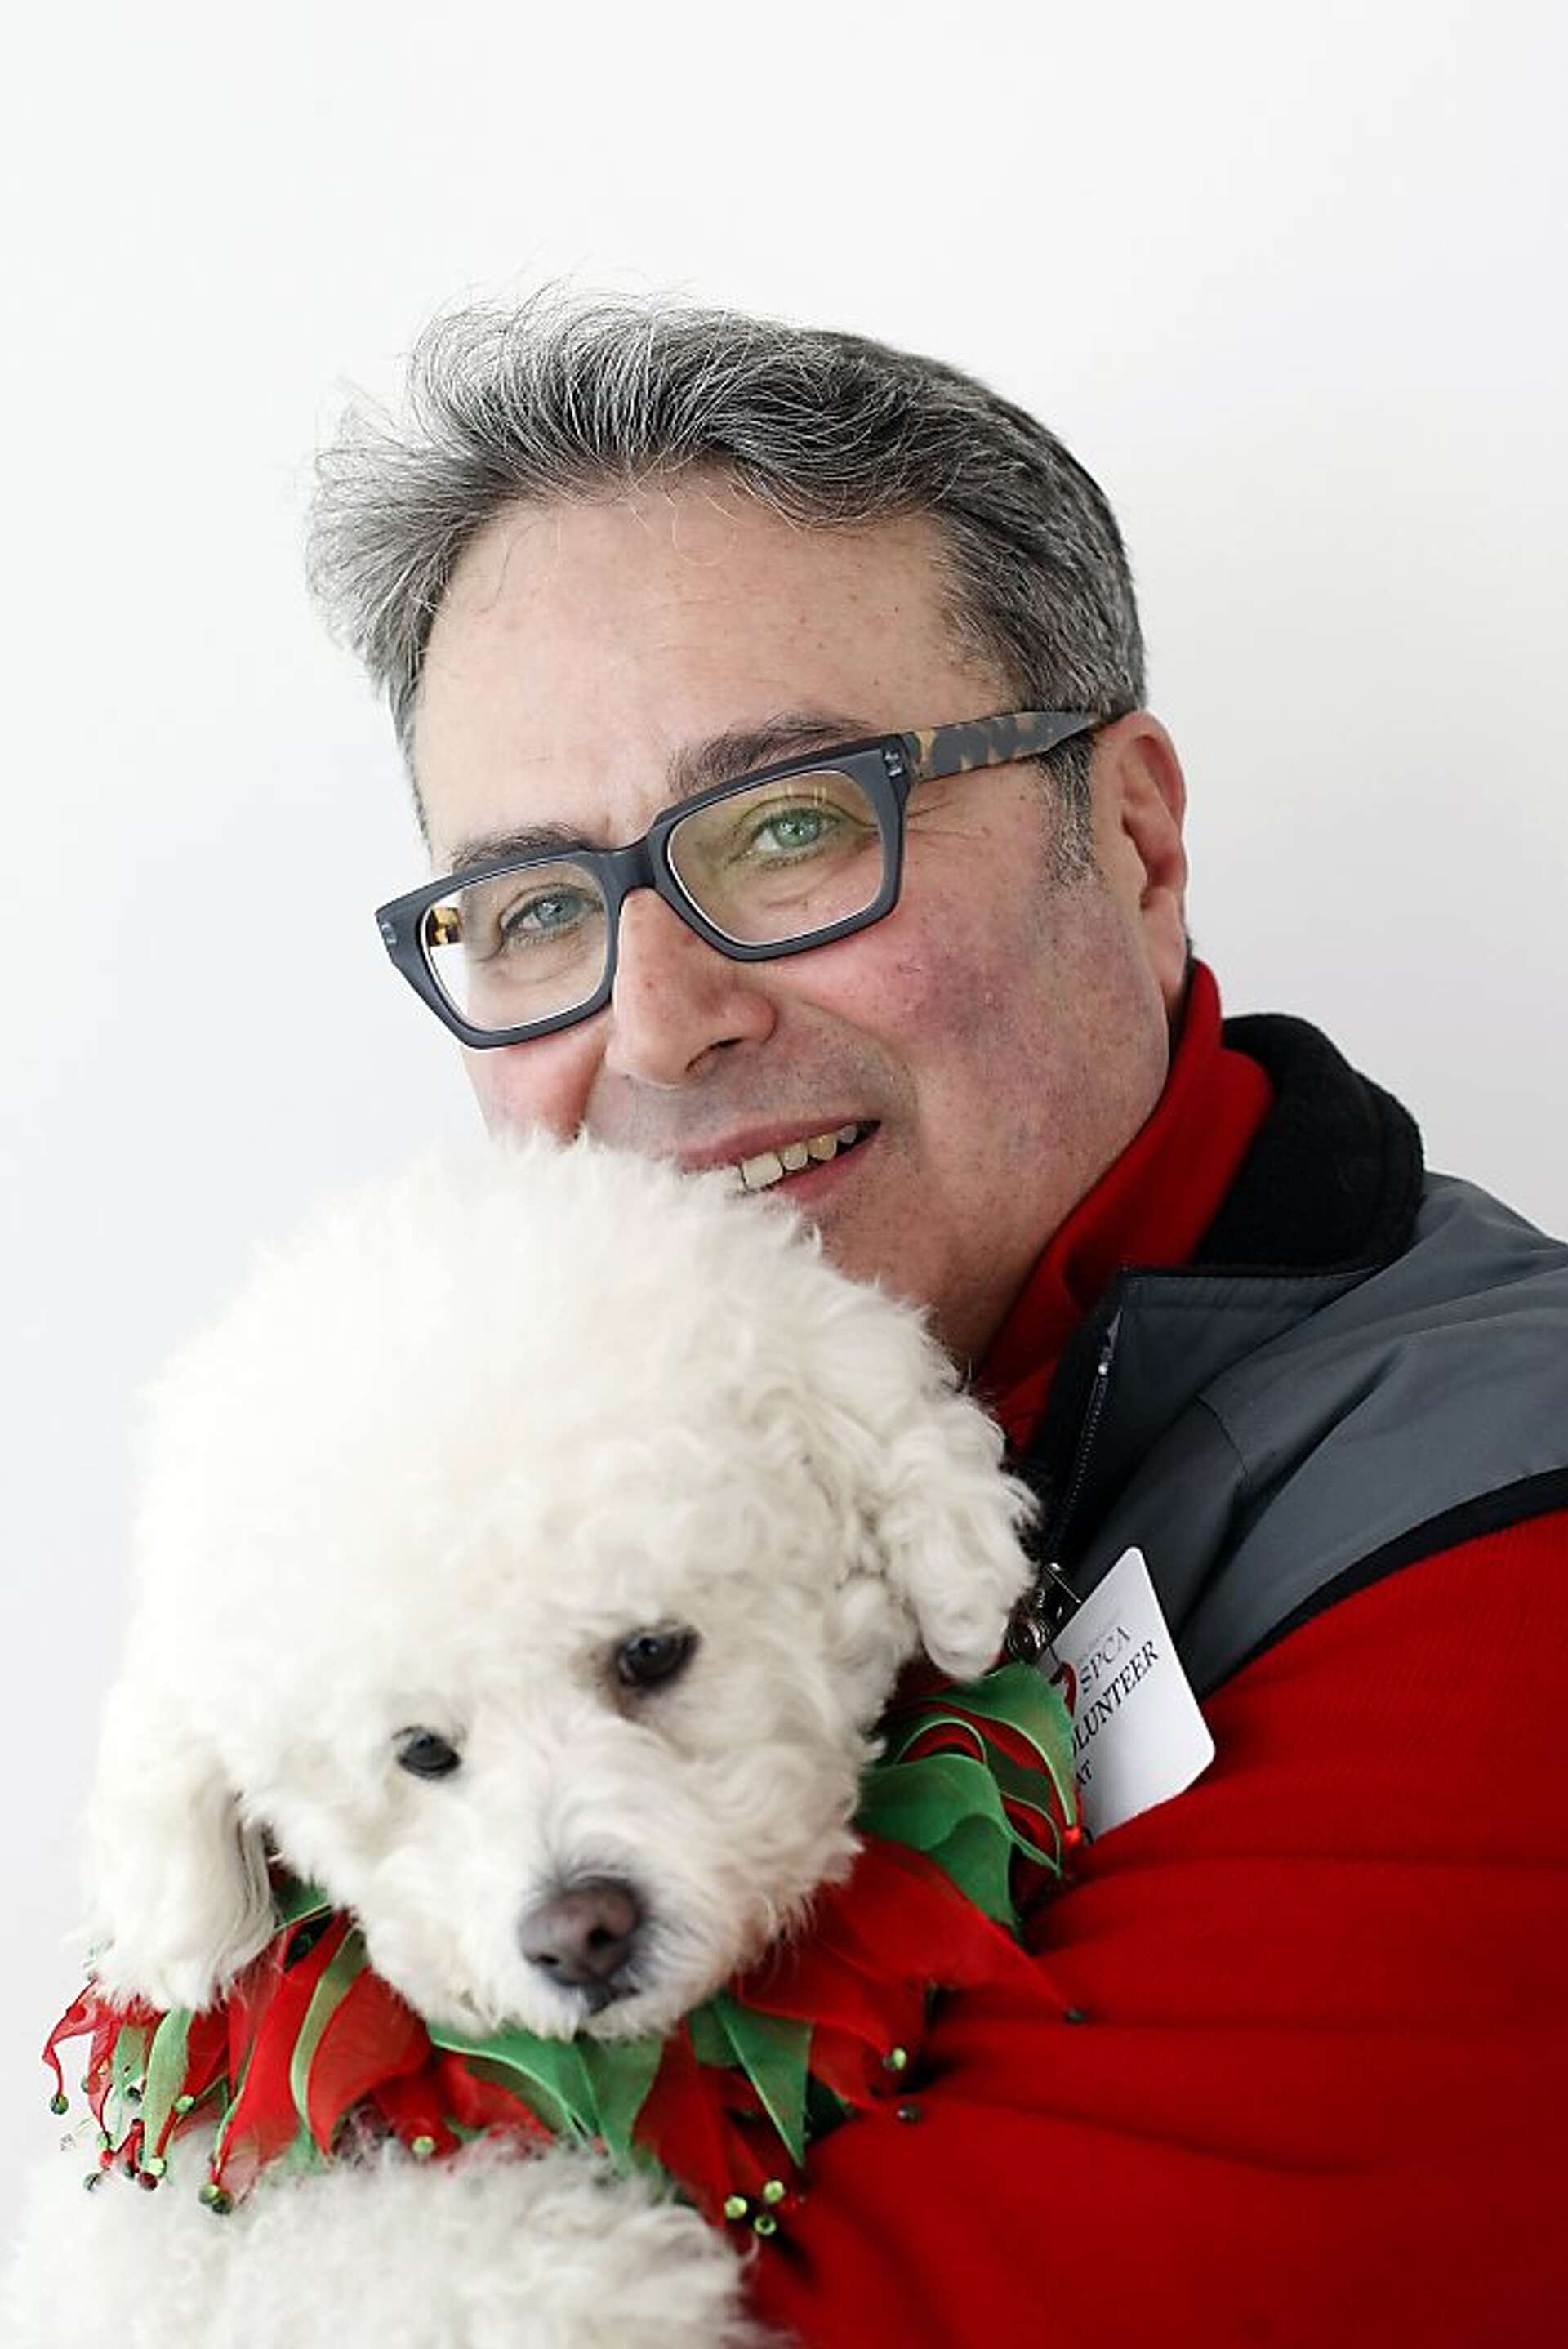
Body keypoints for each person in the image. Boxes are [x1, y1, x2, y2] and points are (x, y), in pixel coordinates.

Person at [306, 296, 1568, 2346]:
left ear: (1135, 841)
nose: (654, 1022)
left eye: (792, 824)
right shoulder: (487, 1531)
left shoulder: (1501, 1551)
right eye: (537, 904)